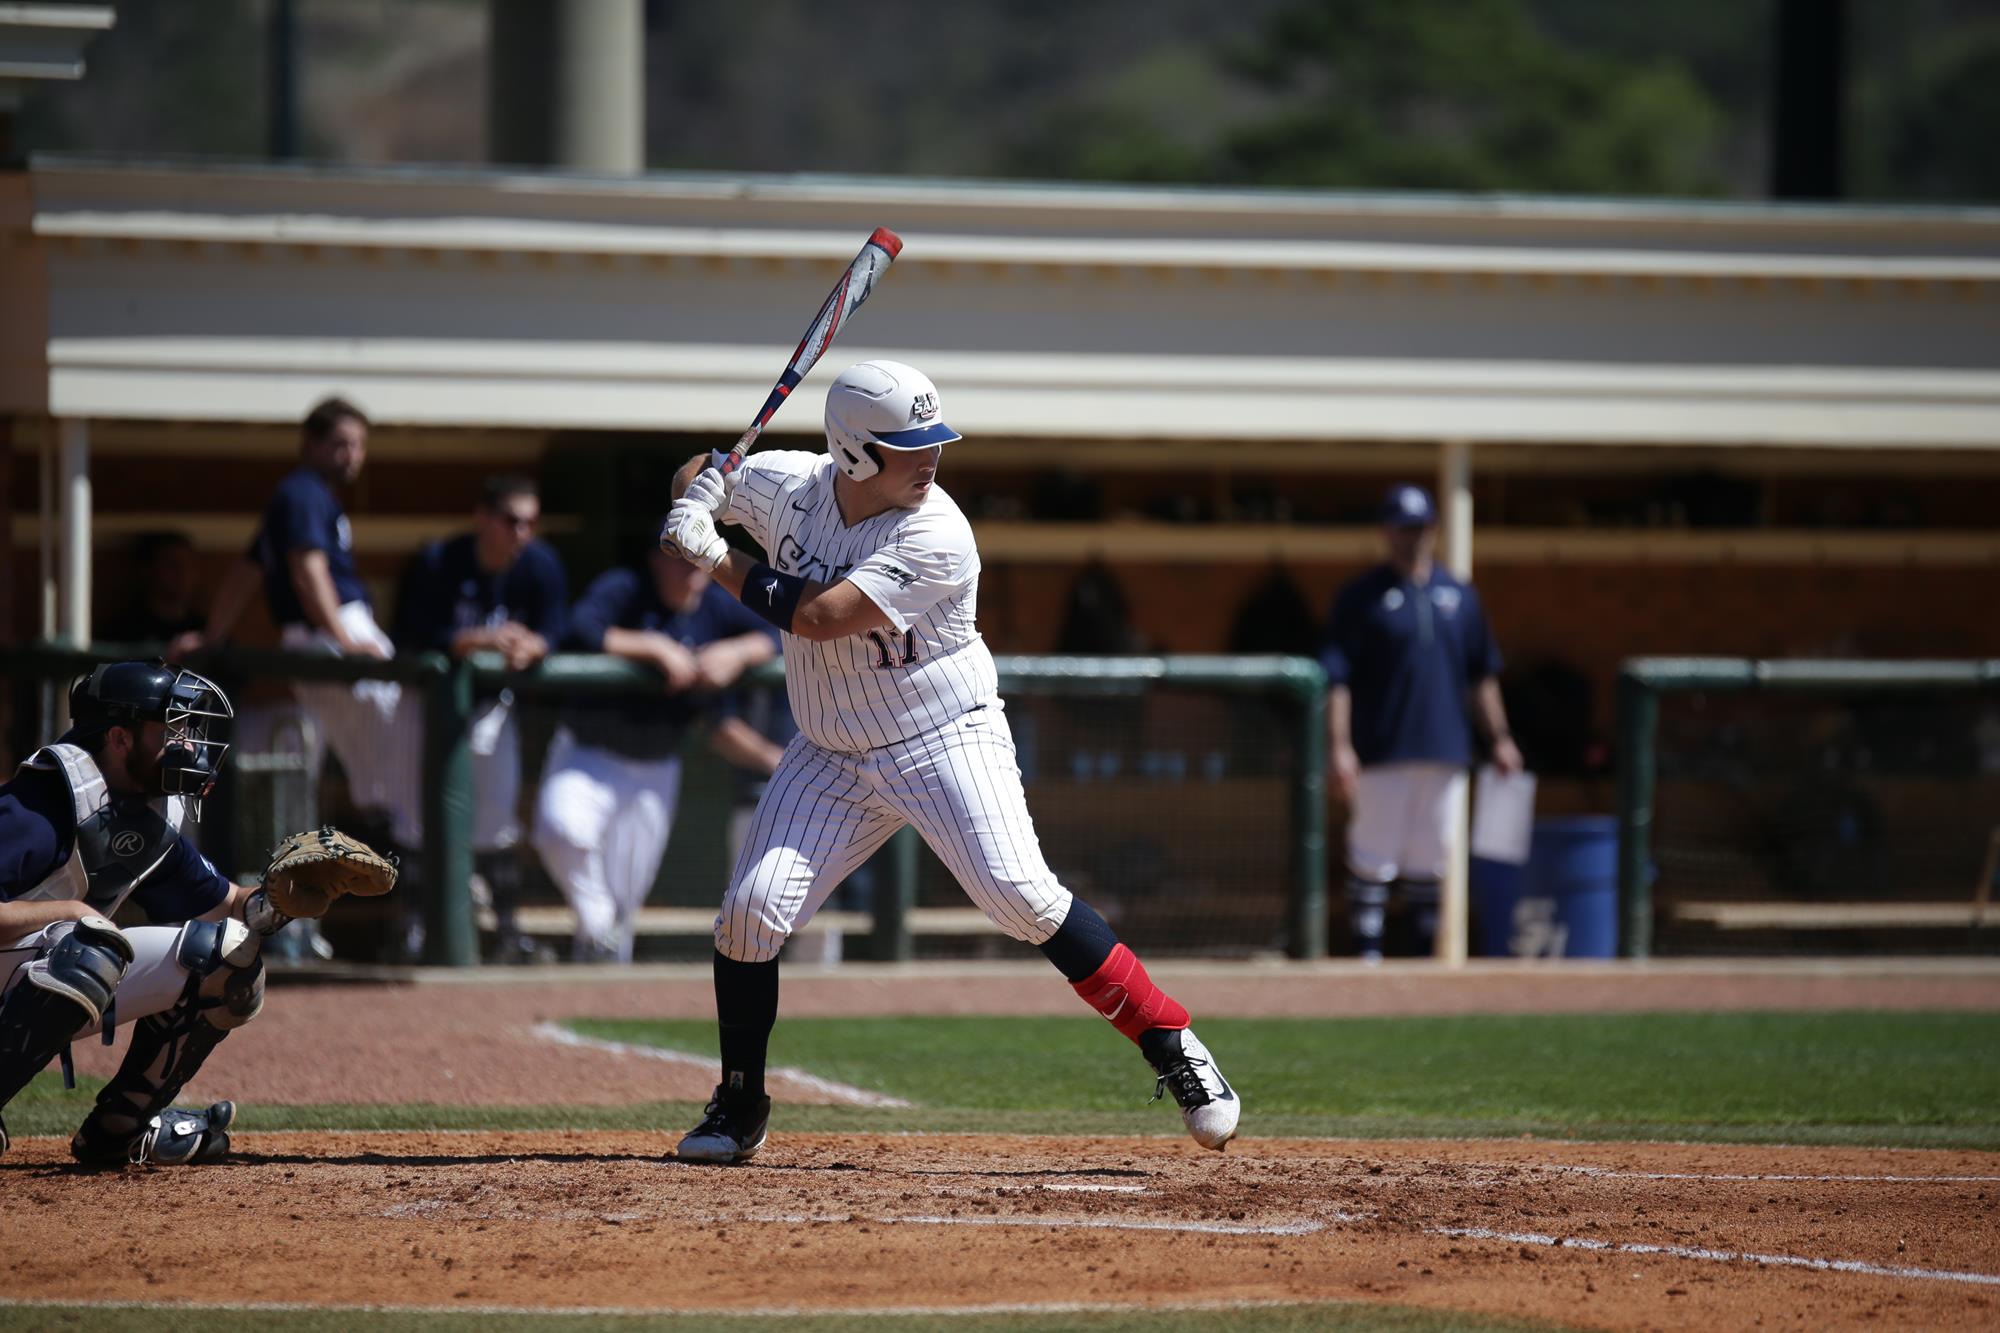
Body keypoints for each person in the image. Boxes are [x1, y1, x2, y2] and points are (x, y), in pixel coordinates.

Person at [659, 359, 1239, 1162]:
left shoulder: (937, 530)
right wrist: (704, 485)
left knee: (1021, 897)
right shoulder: (790, 484)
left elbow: (821, 616)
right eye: (910, 443)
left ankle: (1173, 1040)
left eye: (934, 438)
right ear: (855, 454)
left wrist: (715, 556)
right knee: (749, 915)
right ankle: (739, 1102)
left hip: (941, 737)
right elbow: (701, 467)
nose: (931, 455)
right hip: (830, 750)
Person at [0, 661, 298, 1165]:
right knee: (89, 943)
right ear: (119, 737)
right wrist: (71, 912)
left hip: (30, 973)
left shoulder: (144, 812)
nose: (188, 745)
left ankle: (120, 1129)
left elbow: (229, 905)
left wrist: (285, 899)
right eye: (171, 731)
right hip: (31, 965)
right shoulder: (39, 806)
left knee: (226, 956)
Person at [170, 397, 422, 892]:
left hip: (320, 636)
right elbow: (308, 570)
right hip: (334, 632)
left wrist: (214, 633)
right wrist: (345, 639)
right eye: (340, 444)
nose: (351, 455)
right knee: (410, 749)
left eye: (359, 446)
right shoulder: (304, 491)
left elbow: (248, 570)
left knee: (373, 771)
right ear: (310, 444)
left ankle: (394, 859)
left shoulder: (299, 496)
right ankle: (414, 868)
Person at [531, 540, 783, 964]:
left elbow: (779, 630)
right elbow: (582, 626)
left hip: (655, 767)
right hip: (589, 754)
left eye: (697, 560)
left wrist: (738, 652)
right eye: (679, 559)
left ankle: (600, 976)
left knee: (625, 896)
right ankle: (595, 923)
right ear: (656, 558)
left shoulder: (715, 605)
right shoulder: (626, 588)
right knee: (561, 829)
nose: (691, 571)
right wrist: (653, 645)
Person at [1320, 484, 1524, 961]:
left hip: (1447, 747)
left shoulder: (1460, 595)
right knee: (1372, 857)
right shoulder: (1360, 597)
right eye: (1402, 528)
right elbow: (1338, 678)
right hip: (1382, 748)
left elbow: (1482, 673)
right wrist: (1339, 745)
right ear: (1386, 532)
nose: (1411, 537)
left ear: (1433, 530)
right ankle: (1368, 957)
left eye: (1419, 527)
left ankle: (1418, 963)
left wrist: (1500, 737)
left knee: (1430, 860)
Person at [395, 475, 567, 963]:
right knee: (414, 821)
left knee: (496, 823)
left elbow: (558, 627)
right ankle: (411, 930)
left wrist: (538, 644)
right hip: (426, 706)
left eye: (530, 522)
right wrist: (475, 640)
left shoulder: (540, 565)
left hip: (493, 706)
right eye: (512, 520)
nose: (522, 533)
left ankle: (507, 931)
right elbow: (412, 636)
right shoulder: (439, 561)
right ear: (483, 518)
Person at [105, 532, 206, 646]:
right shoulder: (122, 630)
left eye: (189, 564)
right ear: (147, 570)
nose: (183, 573)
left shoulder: (204, 632)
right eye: (172, 565)